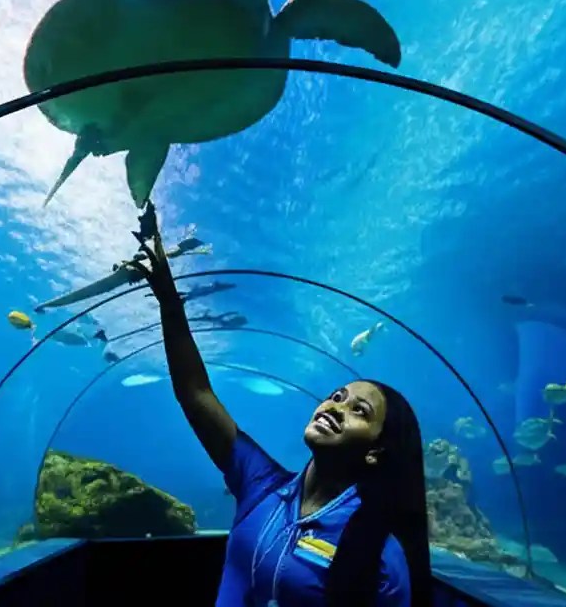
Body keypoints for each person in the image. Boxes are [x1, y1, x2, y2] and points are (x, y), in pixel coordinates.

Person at [129, 204, 433, 607]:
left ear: (377, 451)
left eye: (360, 411)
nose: (336, 406)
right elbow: (196, 393)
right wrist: (169, 297)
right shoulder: (260, 485)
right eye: (337, 396)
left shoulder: (381, 556)